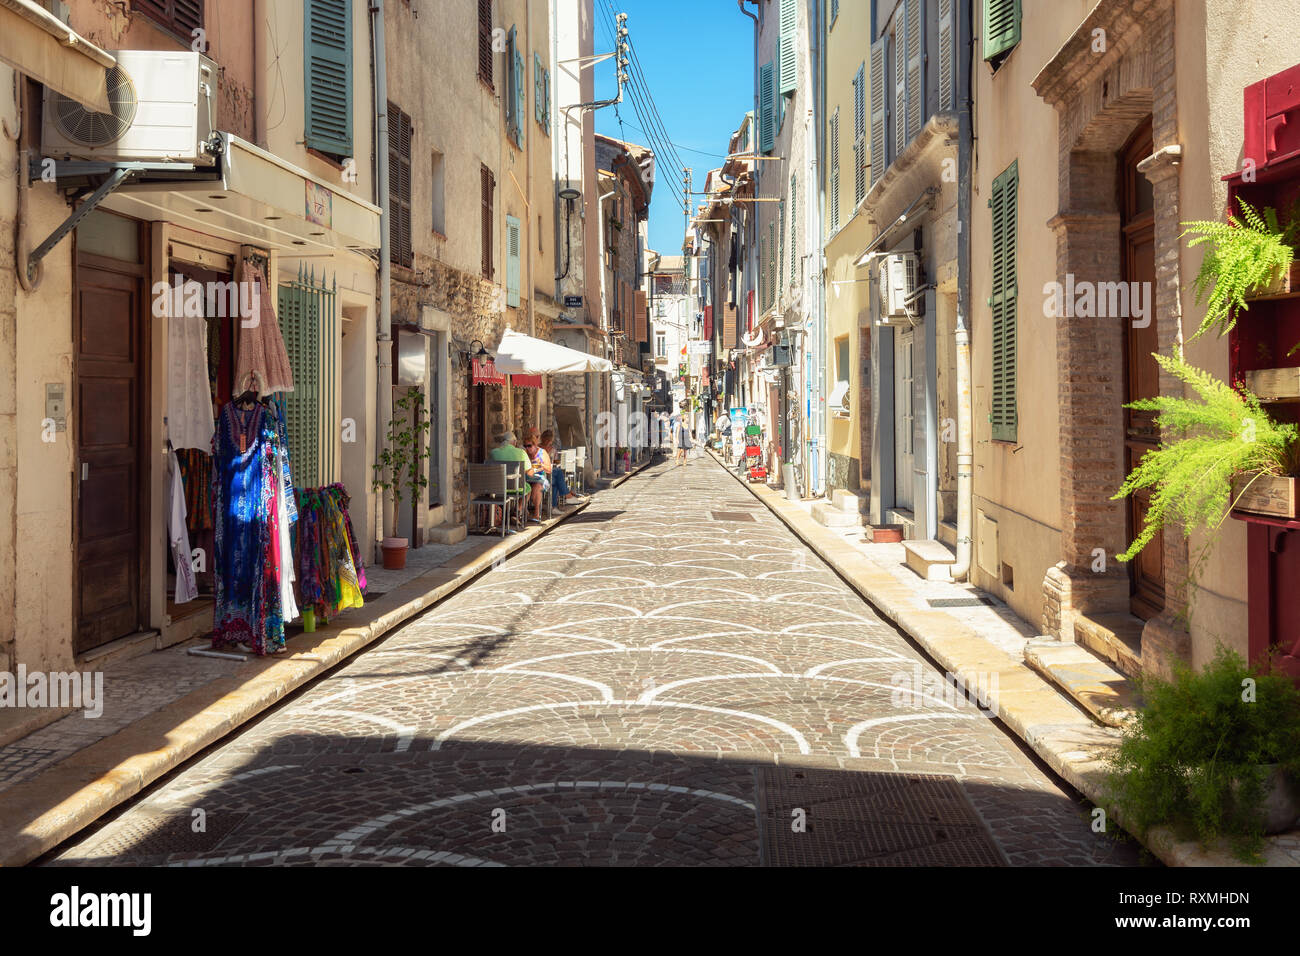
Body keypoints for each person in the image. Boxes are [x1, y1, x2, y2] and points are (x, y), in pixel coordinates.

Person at [488, 431, 533, 529]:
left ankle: (506, 513)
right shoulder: (521, 452)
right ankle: (517, 512)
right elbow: (530, 472)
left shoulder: (494, 452)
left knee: (507, 490)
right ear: (514, 442)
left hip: (497, 489)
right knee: (528, 489)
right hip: (516, 488)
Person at [541, 430, 583, 508]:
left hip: (549, 473)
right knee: (558, 473)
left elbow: (555, 462)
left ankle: (554, 507)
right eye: (548, 440)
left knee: (555, 481)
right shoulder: (541, 449)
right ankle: (568, 495)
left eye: (549, 440)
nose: (548, 442)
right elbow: (554, 463)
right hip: (543, 473)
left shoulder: (548, 449)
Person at [521, 435, 550, 521]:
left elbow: (549, 469)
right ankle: (522, 511)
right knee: (523, 486)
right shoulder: (524, 453)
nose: (527, 448)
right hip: (527, 478)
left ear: (535, 445)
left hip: (540, 479)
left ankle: (537, 513)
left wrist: (539, 467)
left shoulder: (542, 452)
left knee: (537, 487)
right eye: (525, 446)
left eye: (529, 445)